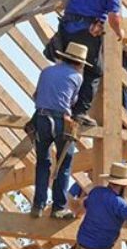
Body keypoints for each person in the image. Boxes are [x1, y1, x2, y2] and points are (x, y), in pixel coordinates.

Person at [45, 0, 127, 124]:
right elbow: (114, 17)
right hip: (88, 32)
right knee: (94, 71)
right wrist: (119, 32)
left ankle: (60, 105)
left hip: (67, 26)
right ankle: (79, 111)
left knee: (67, 64)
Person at [30, 42, 89, 219]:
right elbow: (71, 101)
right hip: (62, 120)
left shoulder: (46, 71)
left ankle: (38, 205)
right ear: (79, 63)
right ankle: (58, 207)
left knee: (43, 163)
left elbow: (36, 95)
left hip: (41, 118)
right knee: (64, 163)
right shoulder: (77, 77)